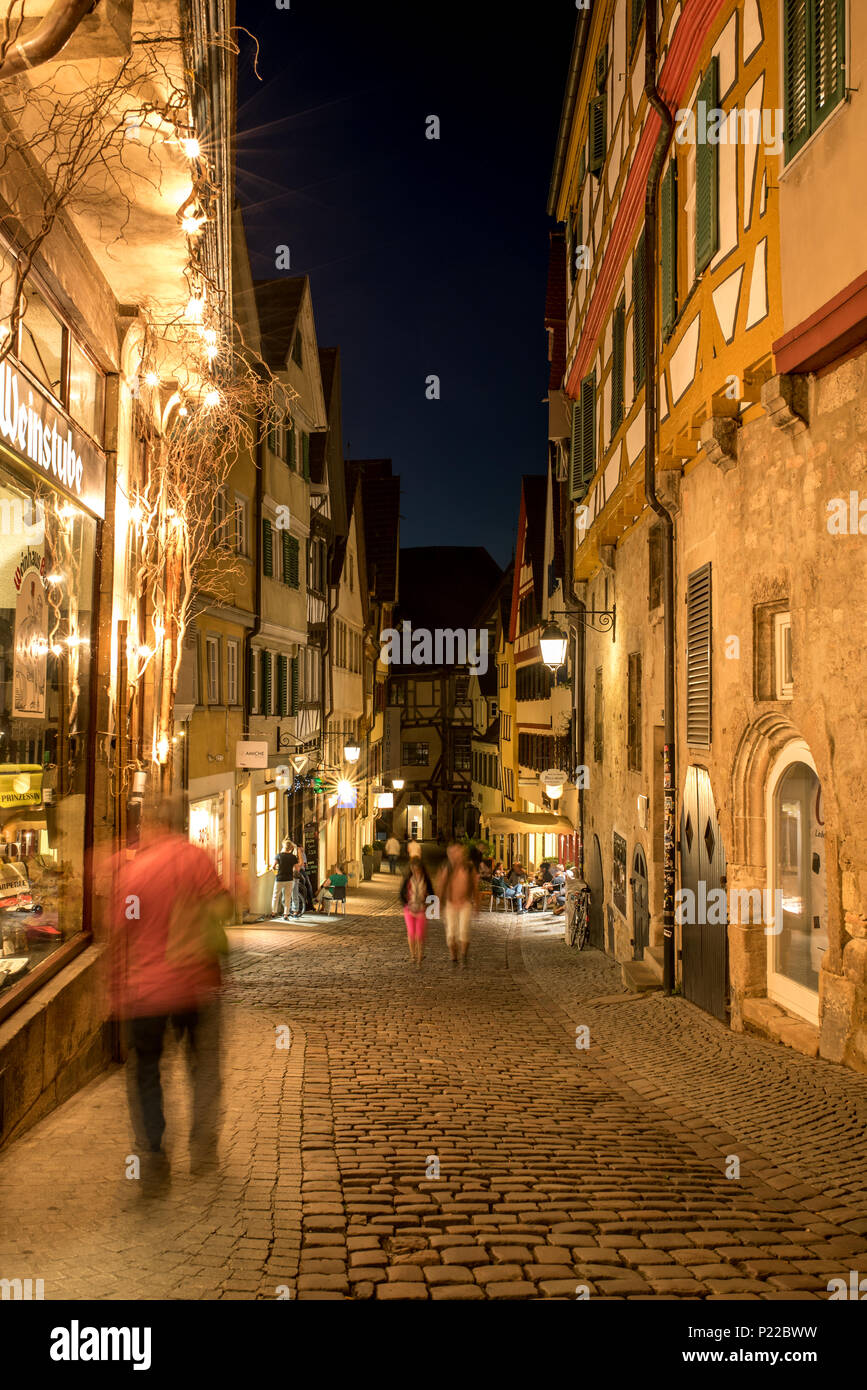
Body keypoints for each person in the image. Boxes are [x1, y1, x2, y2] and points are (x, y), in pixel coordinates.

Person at [109, 798, 232, 1192]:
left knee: (146, 1072)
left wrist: (114, 987)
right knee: (203, 1067)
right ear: (180, 824)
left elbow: (122, 931)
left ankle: (154, 1156)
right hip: (195, 983)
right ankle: (203, 1149)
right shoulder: (195, 859)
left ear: (152, 824)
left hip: (146, 990)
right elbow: (221, 909)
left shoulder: (135, 871)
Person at [436, 841, 479, 967]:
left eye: (457, 852)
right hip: (450, 904)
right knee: (451, 935)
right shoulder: (447, 868)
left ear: (462, 853)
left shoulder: (469, 867)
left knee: (464, 932)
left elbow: (475, 887)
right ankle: (454, 957)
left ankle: (464, 956)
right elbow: (440, 887)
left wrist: (477, 904)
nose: (454, 855)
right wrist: (437, 904)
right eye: (452, 853)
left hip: (465, 903)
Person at [398, 857, 433, 966]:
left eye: (417, 869)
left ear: (421, 869)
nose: (415, 871)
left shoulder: (425, 880)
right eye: (413, 869)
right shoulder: (407, 879)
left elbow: (432, 894)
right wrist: (406, 904)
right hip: (409, 909)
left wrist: (428, 905)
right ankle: (413, 955)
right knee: (411, 932)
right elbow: (401, 894)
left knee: (420, 934)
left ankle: (420, 955)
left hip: (421, 909)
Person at [271, 839, 298, 918]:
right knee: (288, 897)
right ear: (291, 848)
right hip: (289, 879)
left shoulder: (279, 855)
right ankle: (286, 914)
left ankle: (273, 912)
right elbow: (296, 869)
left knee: (276, 896)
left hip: (279, 878)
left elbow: (273, 866)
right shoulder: (293, 857)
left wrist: (276, 872)